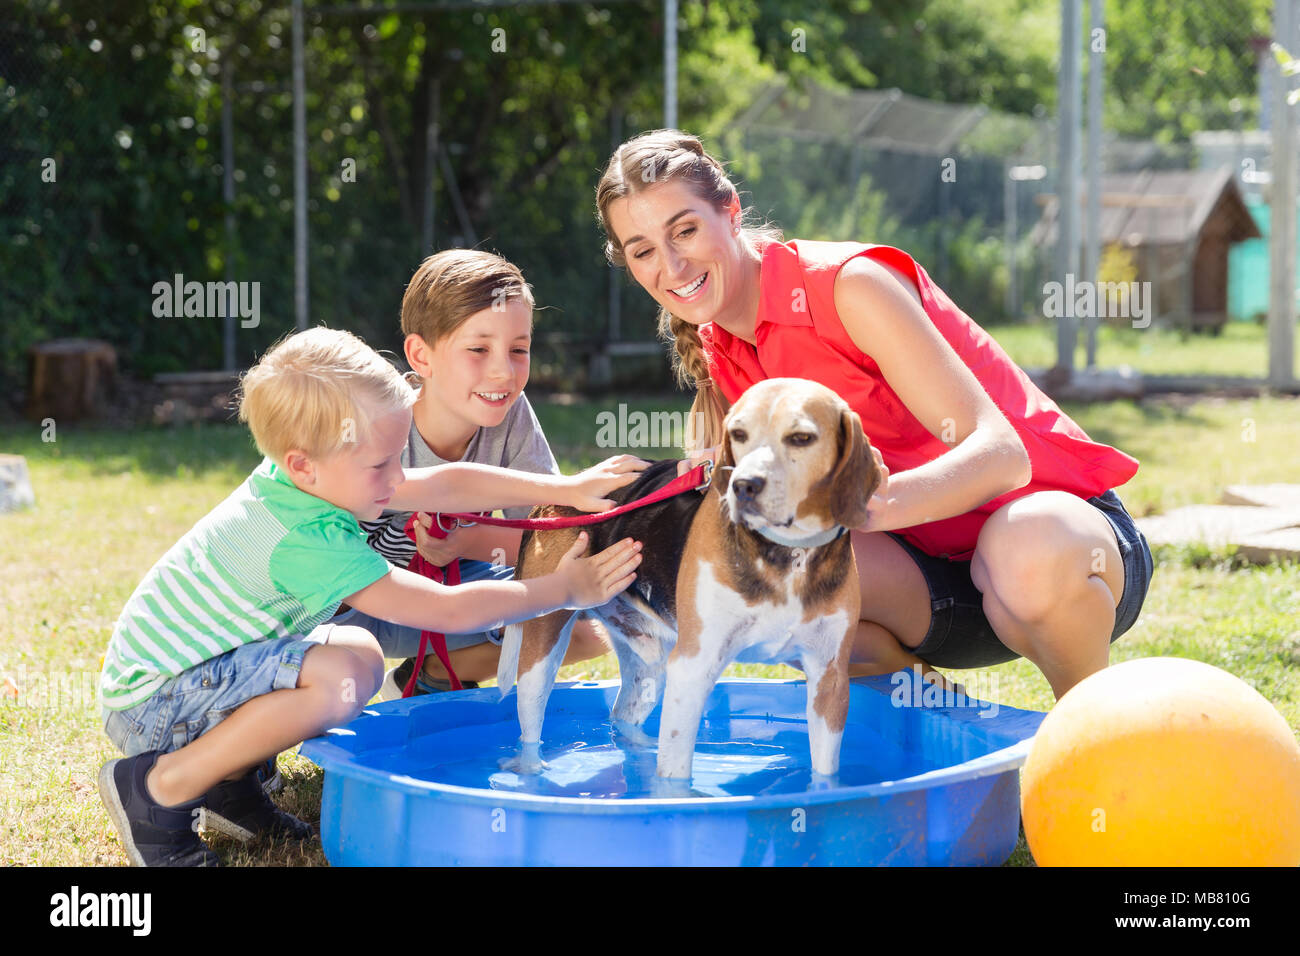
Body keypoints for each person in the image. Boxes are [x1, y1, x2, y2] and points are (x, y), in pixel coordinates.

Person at [595, 129, 1154, 701]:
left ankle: (1088, 731)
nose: (671, 264)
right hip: (937, 589)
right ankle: (948, 734)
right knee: (767, 569)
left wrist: (861, 502)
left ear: (731, 213)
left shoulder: (847, 287)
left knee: (1024, 548)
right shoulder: (717, 348)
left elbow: (1003, 455)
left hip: (1063, 553)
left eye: (684, 230)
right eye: (642, 251)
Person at [97, 326, 643, 866]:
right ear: (303, 463)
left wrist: (564, 488)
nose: (398, 477)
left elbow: (444, 484)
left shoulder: (307, 476)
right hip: (154, 705)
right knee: (342, 676)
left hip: (186, 678)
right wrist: (564, 588)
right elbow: (445, 609)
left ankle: (227, 786)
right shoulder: (305, 535)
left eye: (396, 458)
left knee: (355, 651)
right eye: (382, 465)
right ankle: (158, 789)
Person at [333, 249, 611, 697]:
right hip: (354, 610)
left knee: (587, 620)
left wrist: (465, 542)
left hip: (454, 596)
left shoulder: (510, 411)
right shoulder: (375, 424)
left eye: (518, 350)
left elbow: (549, 537)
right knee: (344, 677)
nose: (503, 370)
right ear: (421, 357)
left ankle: (429, 677)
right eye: (478, 349)